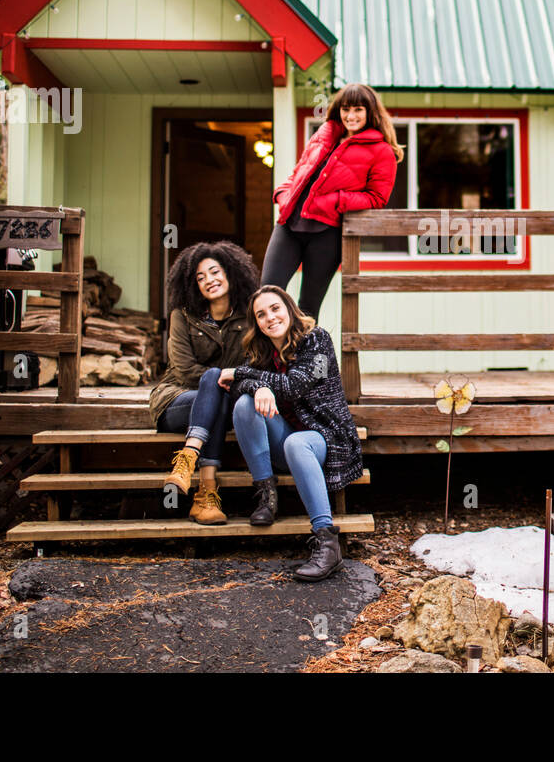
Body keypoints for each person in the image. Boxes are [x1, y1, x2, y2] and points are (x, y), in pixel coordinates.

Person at [219, 284, 363, 581]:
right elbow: (238, 388)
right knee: (246, 405)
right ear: (256, 323)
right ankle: (266, 496)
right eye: (261, 314)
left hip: (325, 437)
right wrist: (256, 385)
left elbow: (294, 385)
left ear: (288, 309)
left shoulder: (317, 340)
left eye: (275, 308)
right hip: (284, 440)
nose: (269, 318)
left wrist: (247, 376)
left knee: (298, 443)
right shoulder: (261, 350)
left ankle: (327, 542)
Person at [262, 82, 403, 320]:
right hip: (289, 224)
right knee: (267, 294)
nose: (350, 116)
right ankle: (270, 357)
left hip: (326, 235)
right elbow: (299, 173)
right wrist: (283, 195)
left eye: (358, 109)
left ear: (370, 112)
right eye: (345, 109)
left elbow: (377, 198)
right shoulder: (325, 134)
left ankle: (304, 358)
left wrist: (336, 201)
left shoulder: (382, 151)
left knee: (308, 306)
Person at [149, 240, 259, 524]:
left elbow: (253, 365)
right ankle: (206, 493)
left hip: (224, 401)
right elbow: (185, 371)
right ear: (192, 285)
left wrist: (223, 379)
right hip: (177, 399)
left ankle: (188, 460)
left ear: (231, 273)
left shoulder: (249, 317)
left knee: (216, 385)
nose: (209, 280)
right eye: (200, 277)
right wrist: (223, 377)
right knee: (213, 379)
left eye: (214, 272)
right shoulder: (181, 317)